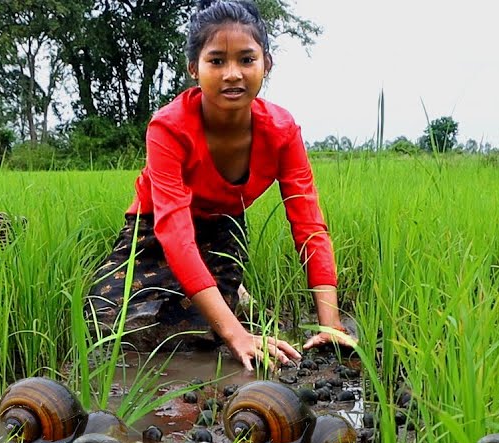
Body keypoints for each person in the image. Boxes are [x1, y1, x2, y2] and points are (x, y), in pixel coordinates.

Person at [87, 0, 354, 371]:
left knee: (193, 330)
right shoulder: (168, 127)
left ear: (266, 64)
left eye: (246, 60)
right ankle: (230, 302)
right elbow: (175, 234)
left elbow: (308, 225)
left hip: (222, 231)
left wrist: (331, 323)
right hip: (153, 231)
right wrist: (236, 334)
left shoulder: (281, 130)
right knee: (108, 322)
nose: (232, 74)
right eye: (217, 61)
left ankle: (231, 297)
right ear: (194, 68)